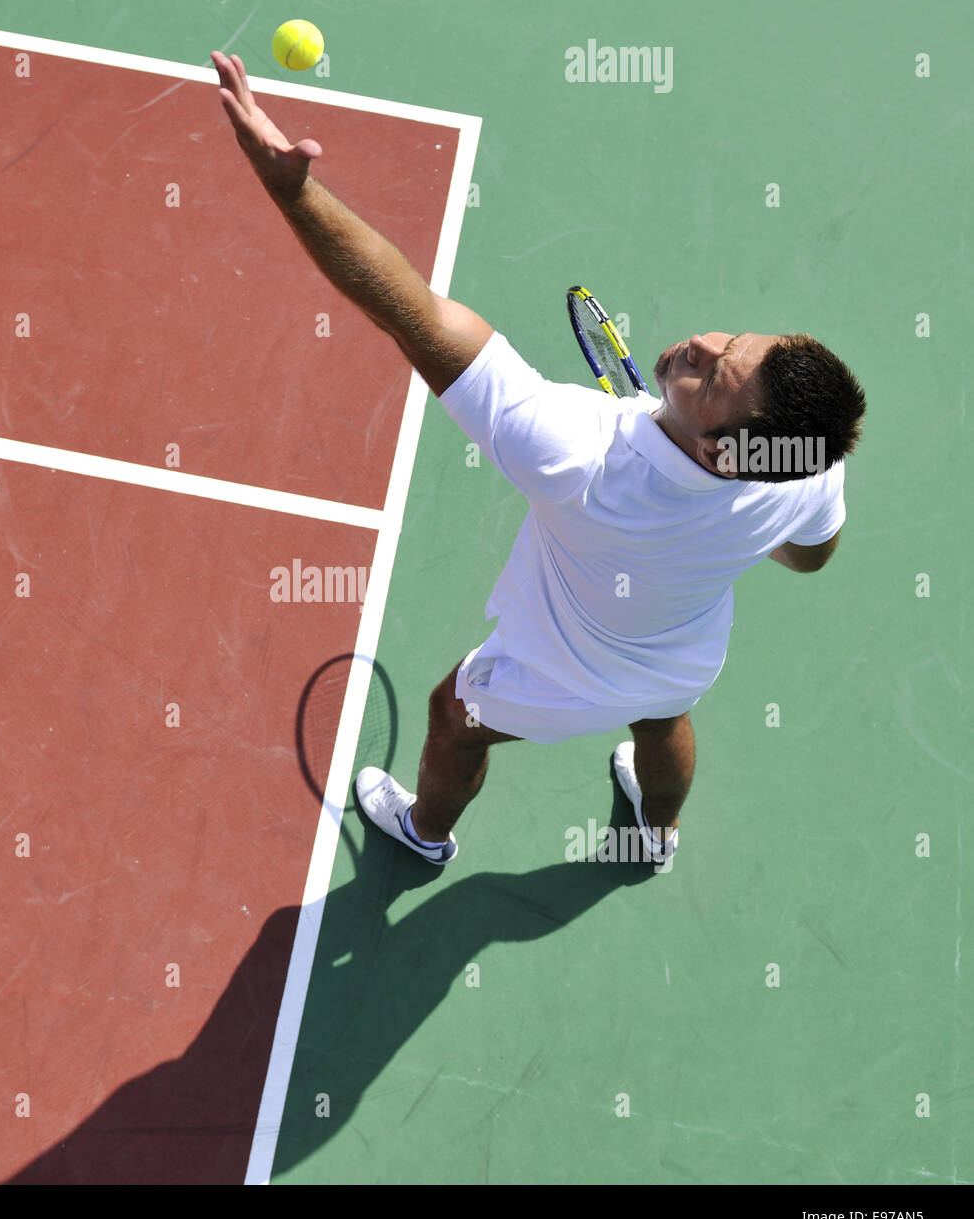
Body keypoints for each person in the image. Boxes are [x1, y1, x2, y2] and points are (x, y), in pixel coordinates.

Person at [212, 51, 865, 870]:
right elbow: (810, 555)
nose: (702, 342)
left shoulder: (574, 452)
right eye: (733, 338)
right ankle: (656, 836)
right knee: (662, 723)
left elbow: (412, 313)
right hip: (679, 657)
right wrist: (732, 531)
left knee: (453, 715)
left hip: (556, 672)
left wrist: (293, 192)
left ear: (719, 449)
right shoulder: (806, 459)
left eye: (713, 372)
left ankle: (426, 833)